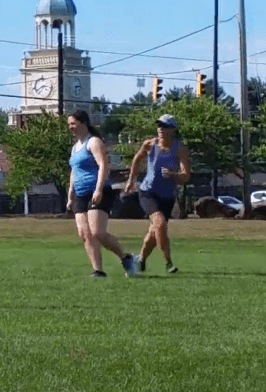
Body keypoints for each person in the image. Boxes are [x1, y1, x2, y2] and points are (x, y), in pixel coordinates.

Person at [66, 109, 139, 278]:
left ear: (83, 123)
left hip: (98, 191)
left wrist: (98, 189)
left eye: (73, 123)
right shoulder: (75, 148)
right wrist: (70, 195)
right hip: (80, 194)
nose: (70, 127)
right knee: (84, 234)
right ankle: (98, 270)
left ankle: (126, 258)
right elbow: (74, 172)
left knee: (97, 232)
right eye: (69, 124)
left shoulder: (94, 142)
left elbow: (104, 166)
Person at [125, 113, 191, 274]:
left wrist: (173, 174)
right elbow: (137, 159)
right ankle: (168, 262)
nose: (160, 129)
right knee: (160, 224)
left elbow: (185, 177)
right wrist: (131, 180)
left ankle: (141, 259)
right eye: (159, 125)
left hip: (167, 196)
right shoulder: (150, 144)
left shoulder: (179, 149)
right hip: (148, 192)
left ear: (172, 129)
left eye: (165, 126)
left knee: (154, 232)